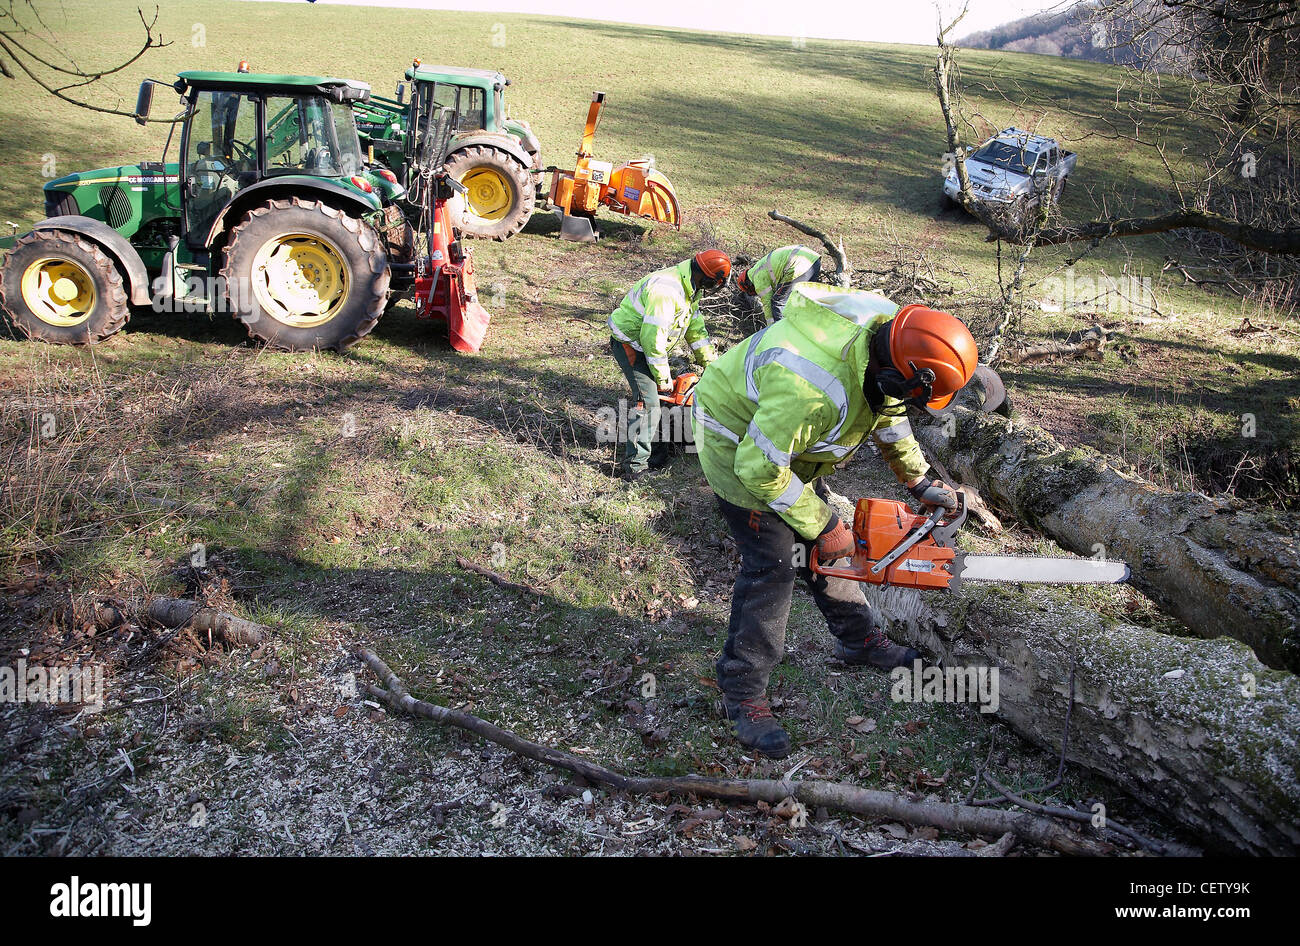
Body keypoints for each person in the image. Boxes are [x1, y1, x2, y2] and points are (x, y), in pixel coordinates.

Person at [691, 283, 978, 758]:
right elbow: (759, 468)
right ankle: (742, 692)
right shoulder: (812, 385)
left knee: (829, 552)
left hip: (790, 449)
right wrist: (824, 525)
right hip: (739, 446)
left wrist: (919, 480)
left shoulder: (890, 341)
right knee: (775, 566)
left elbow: (889, 413)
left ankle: (858, 639)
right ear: (896, 370)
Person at [608, 250, 729, 480]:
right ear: (707, 278)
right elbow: (652, 339)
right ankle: (635, 467)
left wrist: (713, 367)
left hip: (650, 346)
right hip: (631, 343)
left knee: (661, 399)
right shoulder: (667, 291)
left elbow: (696, 330)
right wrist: (663, 380)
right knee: (649, 402)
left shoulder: (690, 289)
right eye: (713, 285)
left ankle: (657, 453)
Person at [736, 245, 822, 324]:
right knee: (799, 302)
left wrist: (770, 327)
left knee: (778, 302)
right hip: (813, 261)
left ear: (748, 284)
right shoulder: (759, 267)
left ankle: (779, 334)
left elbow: (768, 304)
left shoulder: (757, 279)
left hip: (798, 266)